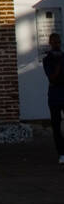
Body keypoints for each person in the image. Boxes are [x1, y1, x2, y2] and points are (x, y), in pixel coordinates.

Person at [42, 32, 64, 162]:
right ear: (50, 43)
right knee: (56, 126)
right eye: (54, 42)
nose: (57, 44)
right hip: (55, 97)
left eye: (58, 42)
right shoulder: (48, 59)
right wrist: (59, 65)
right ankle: (61, 153)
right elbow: (52, 77)